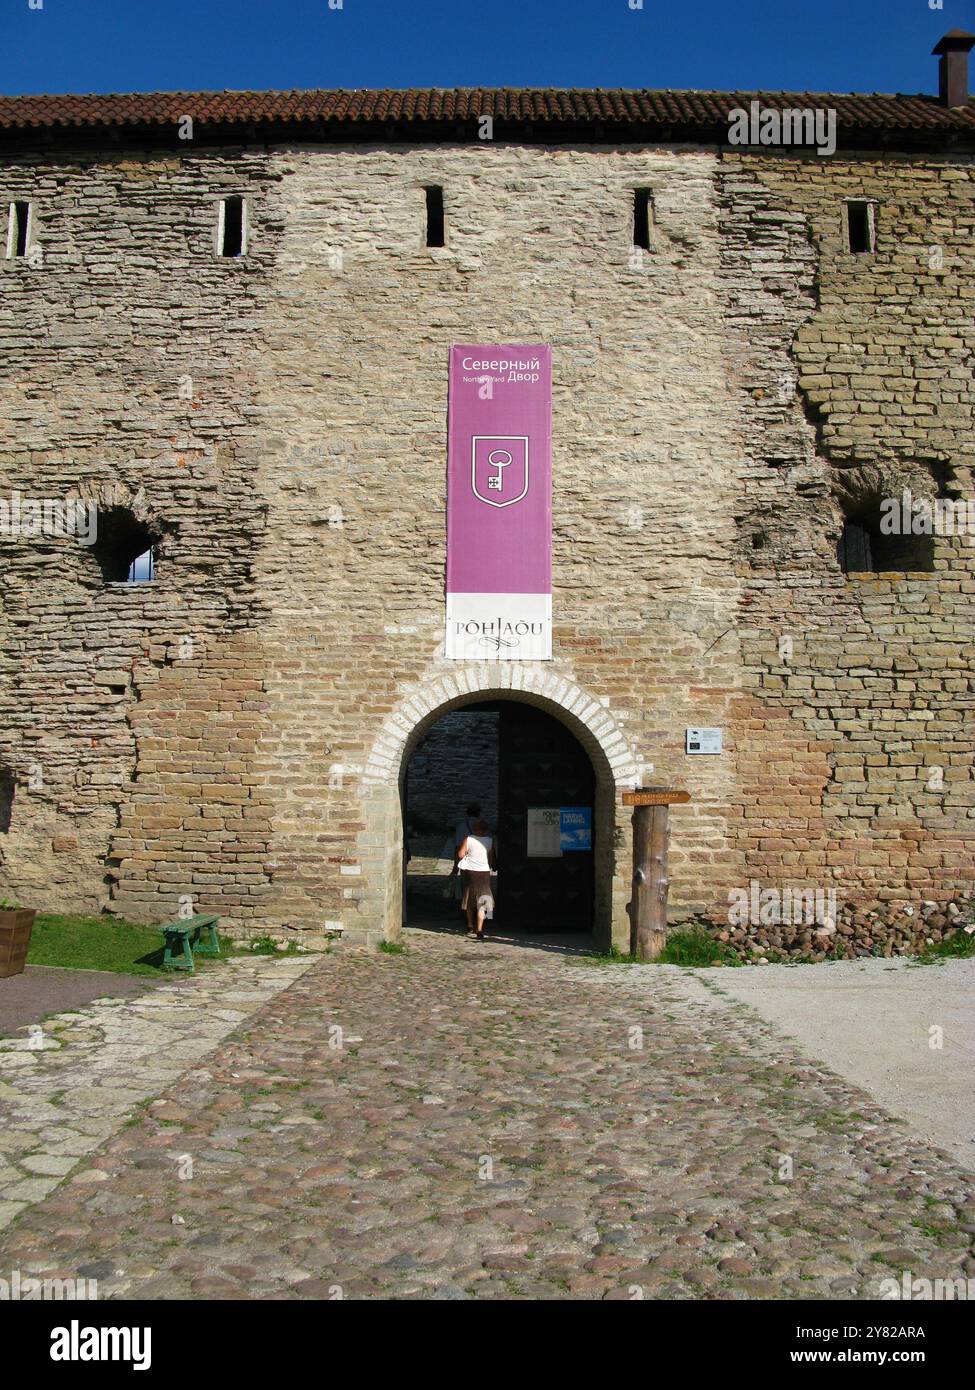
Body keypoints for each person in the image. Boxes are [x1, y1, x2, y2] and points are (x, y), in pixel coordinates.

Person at [456, 817, 497, 940]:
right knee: (483, 900)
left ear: (474, 829)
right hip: (484, 872)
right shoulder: (490, 841)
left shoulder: (469, 839)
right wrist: (489, 866)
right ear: (485, 829)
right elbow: (490, 857)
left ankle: (469, 924)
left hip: (471, 872)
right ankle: (479, 929)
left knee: (469, 898)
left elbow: (460, 854)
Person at [449, 802, 481, 928]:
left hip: (467, 863)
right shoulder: (484, 827)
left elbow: (458, 847)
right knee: (481, 890)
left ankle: (468, 918)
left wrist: (455, 866)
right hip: (481, 864)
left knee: (466, 889)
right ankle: (481, 918)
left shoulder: (462, 826)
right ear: (479, 813)